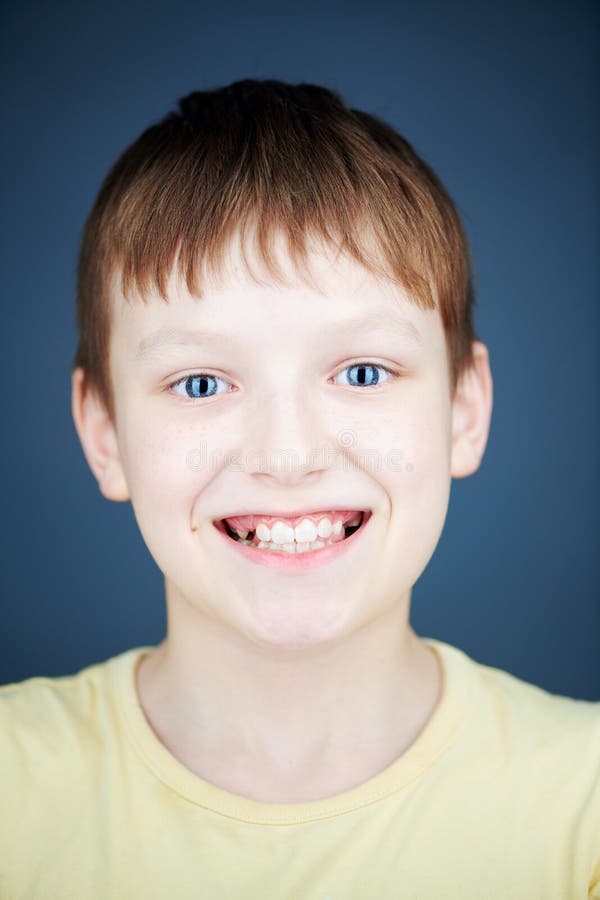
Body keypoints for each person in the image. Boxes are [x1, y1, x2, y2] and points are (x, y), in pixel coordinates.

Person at [1, 78, 598, 899]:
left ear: (464, 409)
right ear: (104, 433)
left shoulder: (582, 806)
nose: (287, 455)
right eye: (202, 383)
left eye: (362, 371)